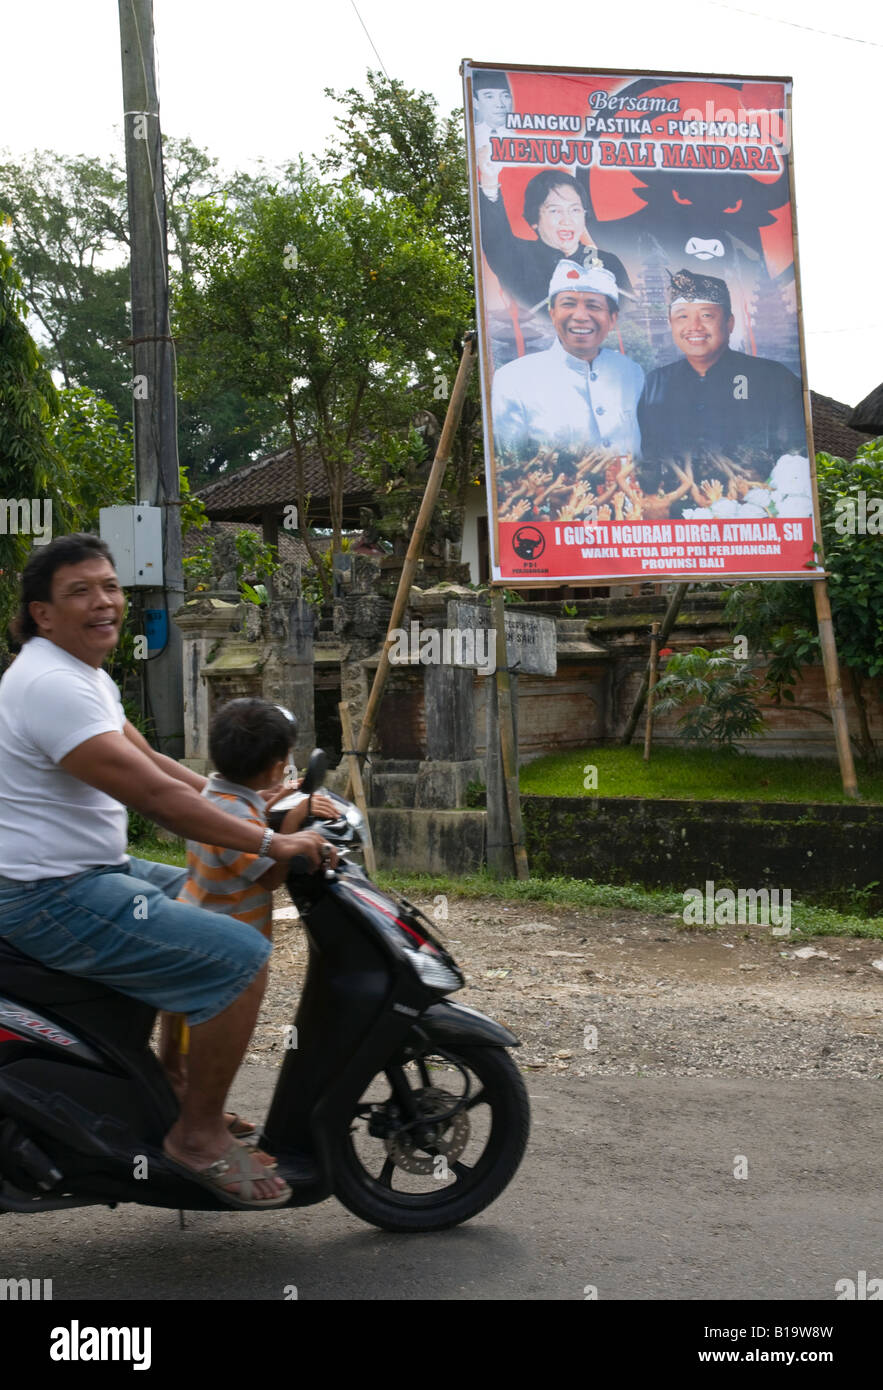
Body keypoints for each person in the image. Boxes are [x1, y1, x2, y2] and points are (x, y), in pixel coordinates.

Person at [0, 533, 337, 1210]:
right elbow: (156, 800)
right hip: (48, 894)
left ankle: (174, 1082)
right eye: (80, 592)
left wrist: (250, 801)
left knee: (206, 909)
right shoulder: (51, 686)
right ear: (42, 612)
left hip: (85, 872)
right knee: (238, 956)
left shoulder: (78, 673)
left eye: (110, 586)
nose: (104, 603)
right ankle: (197, 1135)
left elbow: (156, 763)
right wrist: (271, 845)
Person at [159, 697, 339, 1139]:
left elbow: (249, 805)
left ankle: (179, 1103)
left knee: (179, 1042)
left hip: (195, 925)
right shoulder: (233, 814)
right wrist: (296, 821)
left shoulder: (218, 794)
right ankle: (191, 1118)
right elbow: (270, 876)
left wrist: (277, 798)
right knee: (195, 1043)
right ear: (276, 766)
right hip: (215, 949)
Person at [636, 268, 808, 514]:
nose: (694, 326)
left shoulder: (773, 378)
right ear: (671, 324)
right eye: (682, 317)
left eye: (706, 315)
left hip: (756, 516)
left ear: (729, 322)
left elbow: (795, 453)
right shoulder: (654, 383)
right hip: (677, 522)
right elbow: (646, 453)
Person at [492, 260, 644, 511]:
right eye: (568, 304)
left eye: (594, 306)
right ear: (552, 313)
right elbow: (510, 466)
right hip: (558, 522)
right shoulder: (514, 379)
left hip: (628, 520)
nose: (581, 316)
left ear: (612, 318)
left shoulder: (631, 373)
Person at [477, 167, 634, 314]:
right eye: (555, 210)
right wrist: (490, 181)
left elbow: (629, 313)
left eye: (575, 210)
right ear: (534, 220)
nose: (567, 220)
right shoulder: (518, 257)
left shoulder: (608, 263)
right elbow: (495, 237)